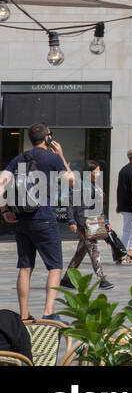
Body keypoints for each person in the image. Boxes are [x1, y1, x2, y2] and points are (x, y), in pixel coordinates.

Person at [0, 123, 77, 320]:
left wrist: (4, 210)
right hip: (44, 219)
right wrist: (60, 154)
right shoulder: (52, 158)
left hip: (22, 220)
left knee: (25, 267)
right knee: (55, 266)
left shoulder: (19, 158)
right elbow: (70, 180)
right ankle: (49, 312)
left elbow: (1, 183)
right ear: (47, 138)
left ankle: (24, 315)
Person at [65, 160, 113, 290]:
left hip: (93, 221)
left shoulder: (95, 185)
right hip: (83, 222)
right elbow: (70, 203)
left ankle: (66, 278)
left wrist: (106, 222)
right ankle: (102, 280)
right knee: (94, 250)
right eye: (95, 171)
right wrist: (71, 221)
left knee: (81, 252)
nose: (98, 173)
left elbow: (99, 206)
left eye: (98, 171)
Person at [115, 149, 132, 264]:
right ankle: (122, 254)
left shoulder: (124, 169)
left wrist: (118, 203)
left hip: (126, 204)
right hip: (130, 205)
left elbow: (119, 189)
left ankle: (131, 252)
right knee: (128, 230)